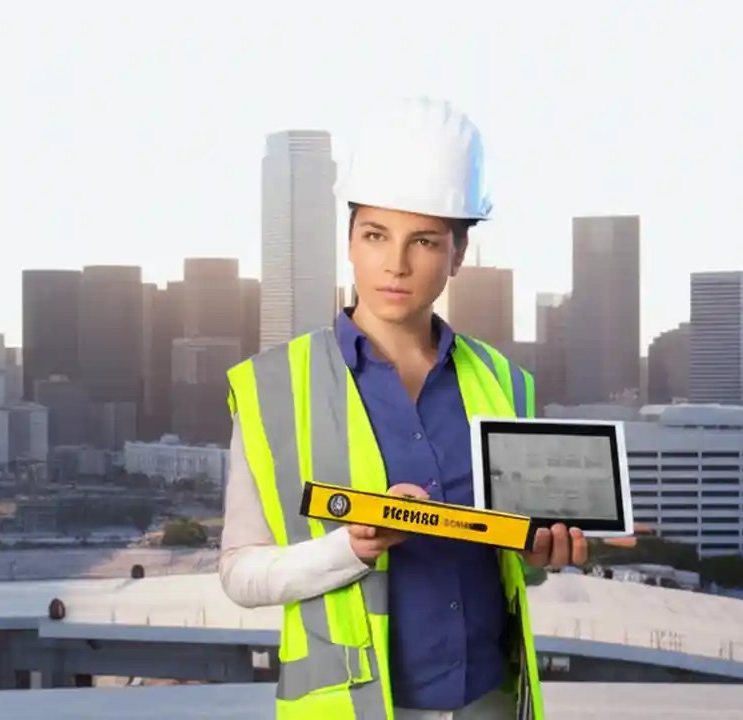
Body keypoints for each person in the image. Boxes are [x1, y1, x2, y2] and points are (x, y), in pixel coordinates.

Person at [220, 97, 601, 720]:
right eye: (375, 236)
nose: (394, 264)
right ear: (350, 241)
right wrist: (356, 548)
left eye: (422, 241)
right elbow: (241, 574)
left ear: (457, 254)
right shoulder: (273, 387)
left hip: (492, 703)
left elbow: (511, 563)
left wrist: (536, 560)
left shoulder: (507, 384)